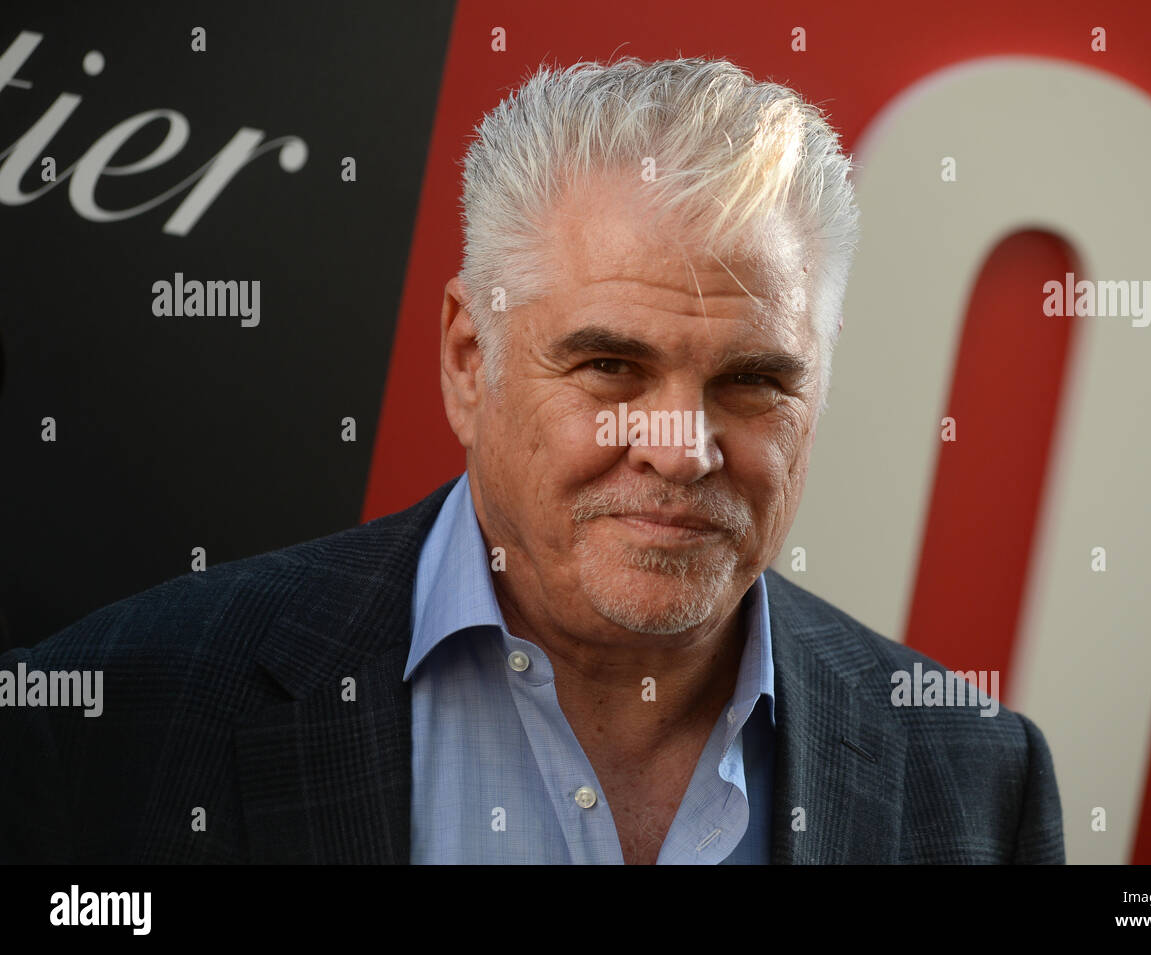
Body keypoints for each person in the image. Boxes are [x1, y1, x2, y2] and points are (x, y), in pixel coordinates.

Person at [0, 56, 1064, 864]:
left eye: (753, 381)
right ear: (471, 361)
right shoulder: (109, 719)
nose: (681, 450)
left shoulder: (975, 781)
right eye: (609, 365)